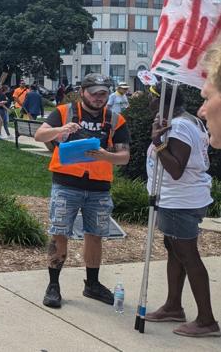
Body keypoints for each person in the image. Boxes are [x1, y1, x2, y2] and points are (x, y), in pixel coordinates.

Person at [33, 73, 131, 310]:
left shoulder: (115, 119)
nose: (99, 98)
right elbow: (39, 135)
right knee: (59, 233)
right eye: (94, 93)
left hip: (99, 187)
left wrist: (106, 156)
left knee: (95, 235)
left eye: (103, 93)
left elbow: (124, 156)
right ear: (82, 92)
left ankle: (92, 284)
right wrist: (61, 129)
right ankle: (53, 285)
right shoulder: (63, 112)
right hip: (66, 184)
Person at [142, 84, 218, 337]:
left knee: (188, 255)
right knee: (175, 250)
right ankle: (173, 305)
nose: (148, 103)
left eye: (151, 98)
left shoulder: (180, 126)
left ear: (162, 101)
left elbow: (176, 169)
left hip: (179, 200)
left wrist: (157, 142)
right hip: (179, 198)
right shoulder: (186, 121)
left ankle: (206, 320)